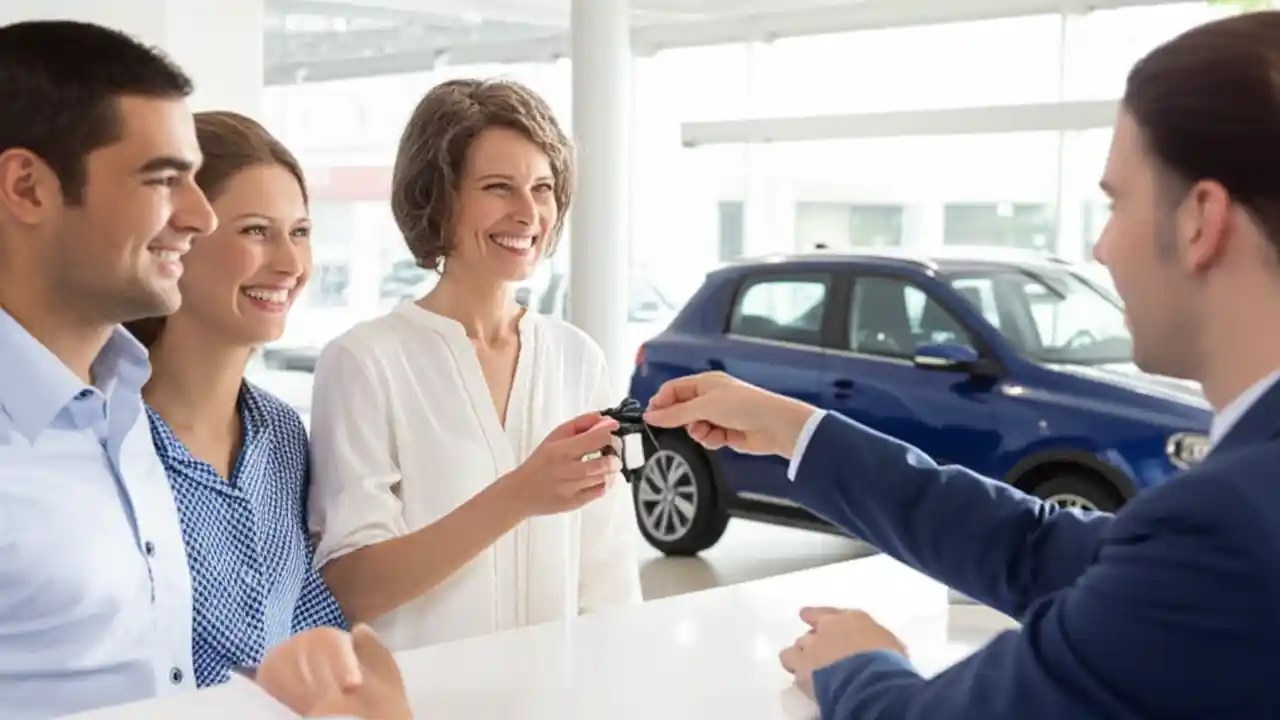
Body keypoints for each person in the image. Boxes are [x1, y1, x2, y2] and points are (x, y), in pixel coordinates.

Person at [642, 11, 1280, 720]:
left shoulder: (1224, 527)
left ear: (1200, 219)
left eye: (1117, 202)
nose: (1101, 249)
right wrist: (794, 428)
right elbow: (1036, 549)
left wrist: (856, 666)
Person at [0, 19, 403, 719]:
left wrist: (279, 696)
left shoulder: (114, 419)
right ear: (27, 188)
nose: (196, 218)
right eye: (162, 180)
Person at [307, 78, 642, 650]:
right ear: (437, 200)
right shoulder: (365, 362)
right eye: (498, 188)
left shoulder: (575, 357)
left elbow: (606, 572)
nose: (529, 212)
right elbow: (353, 587)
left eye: (542, 187)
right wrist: (518, 495)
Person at [122, 110, 347, 689]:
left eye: (299, 232)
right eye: (255, 231)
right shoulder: (104, 438)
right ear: (175, 239)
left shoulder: (281, 437)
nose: (291, 264)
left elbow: (307, 631)